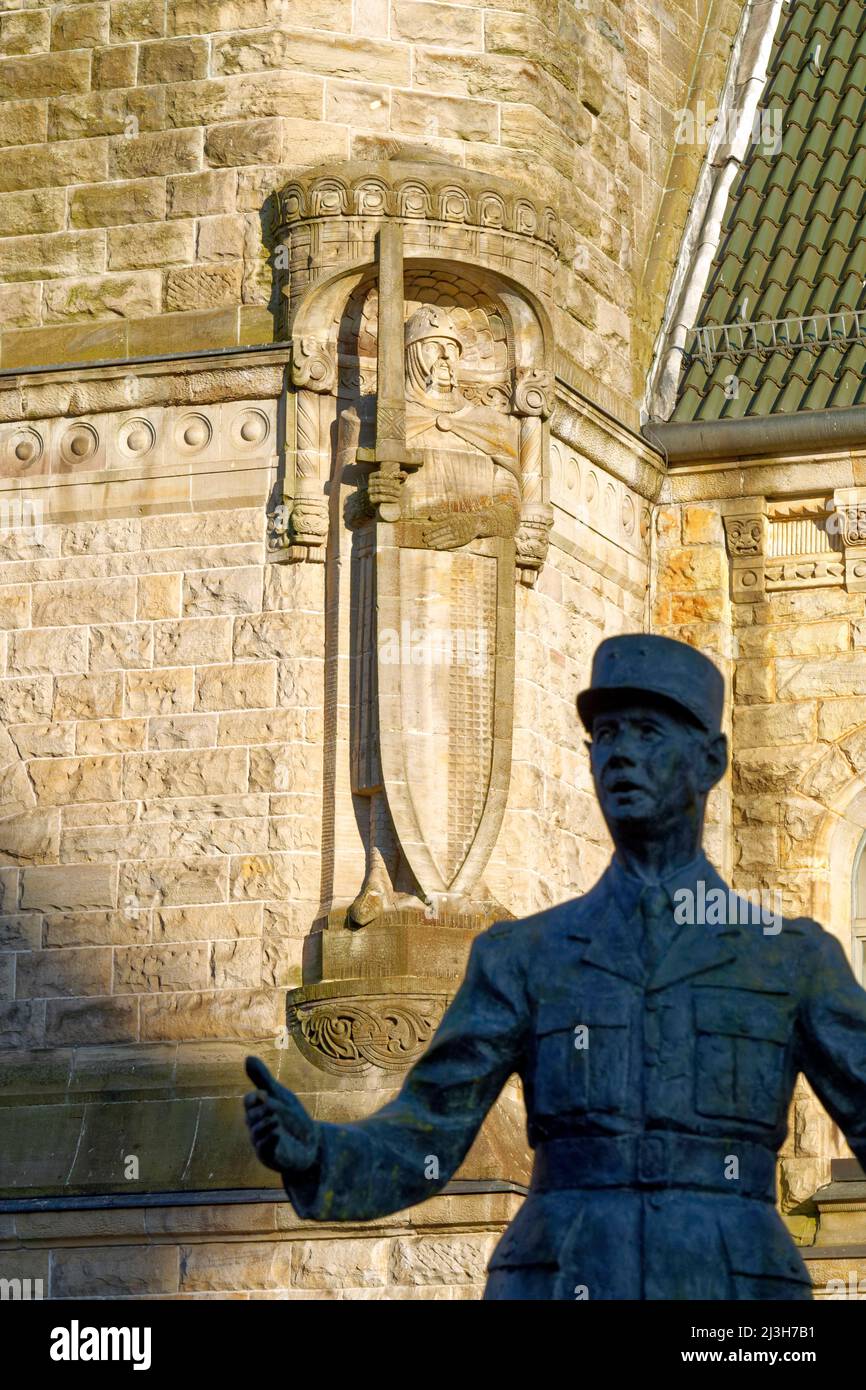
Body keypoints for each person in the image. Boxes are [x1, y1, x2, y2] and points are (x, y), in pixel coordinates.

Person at [245, 633, 866, 1298]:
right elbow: (427, 1132)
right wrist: (318, 1153)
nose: (621, 753)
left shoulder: (791, 959)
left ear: (709, 761)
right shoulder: (522, 956)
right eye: (606, 734)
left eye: (649, 732)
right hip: (562, 1273)